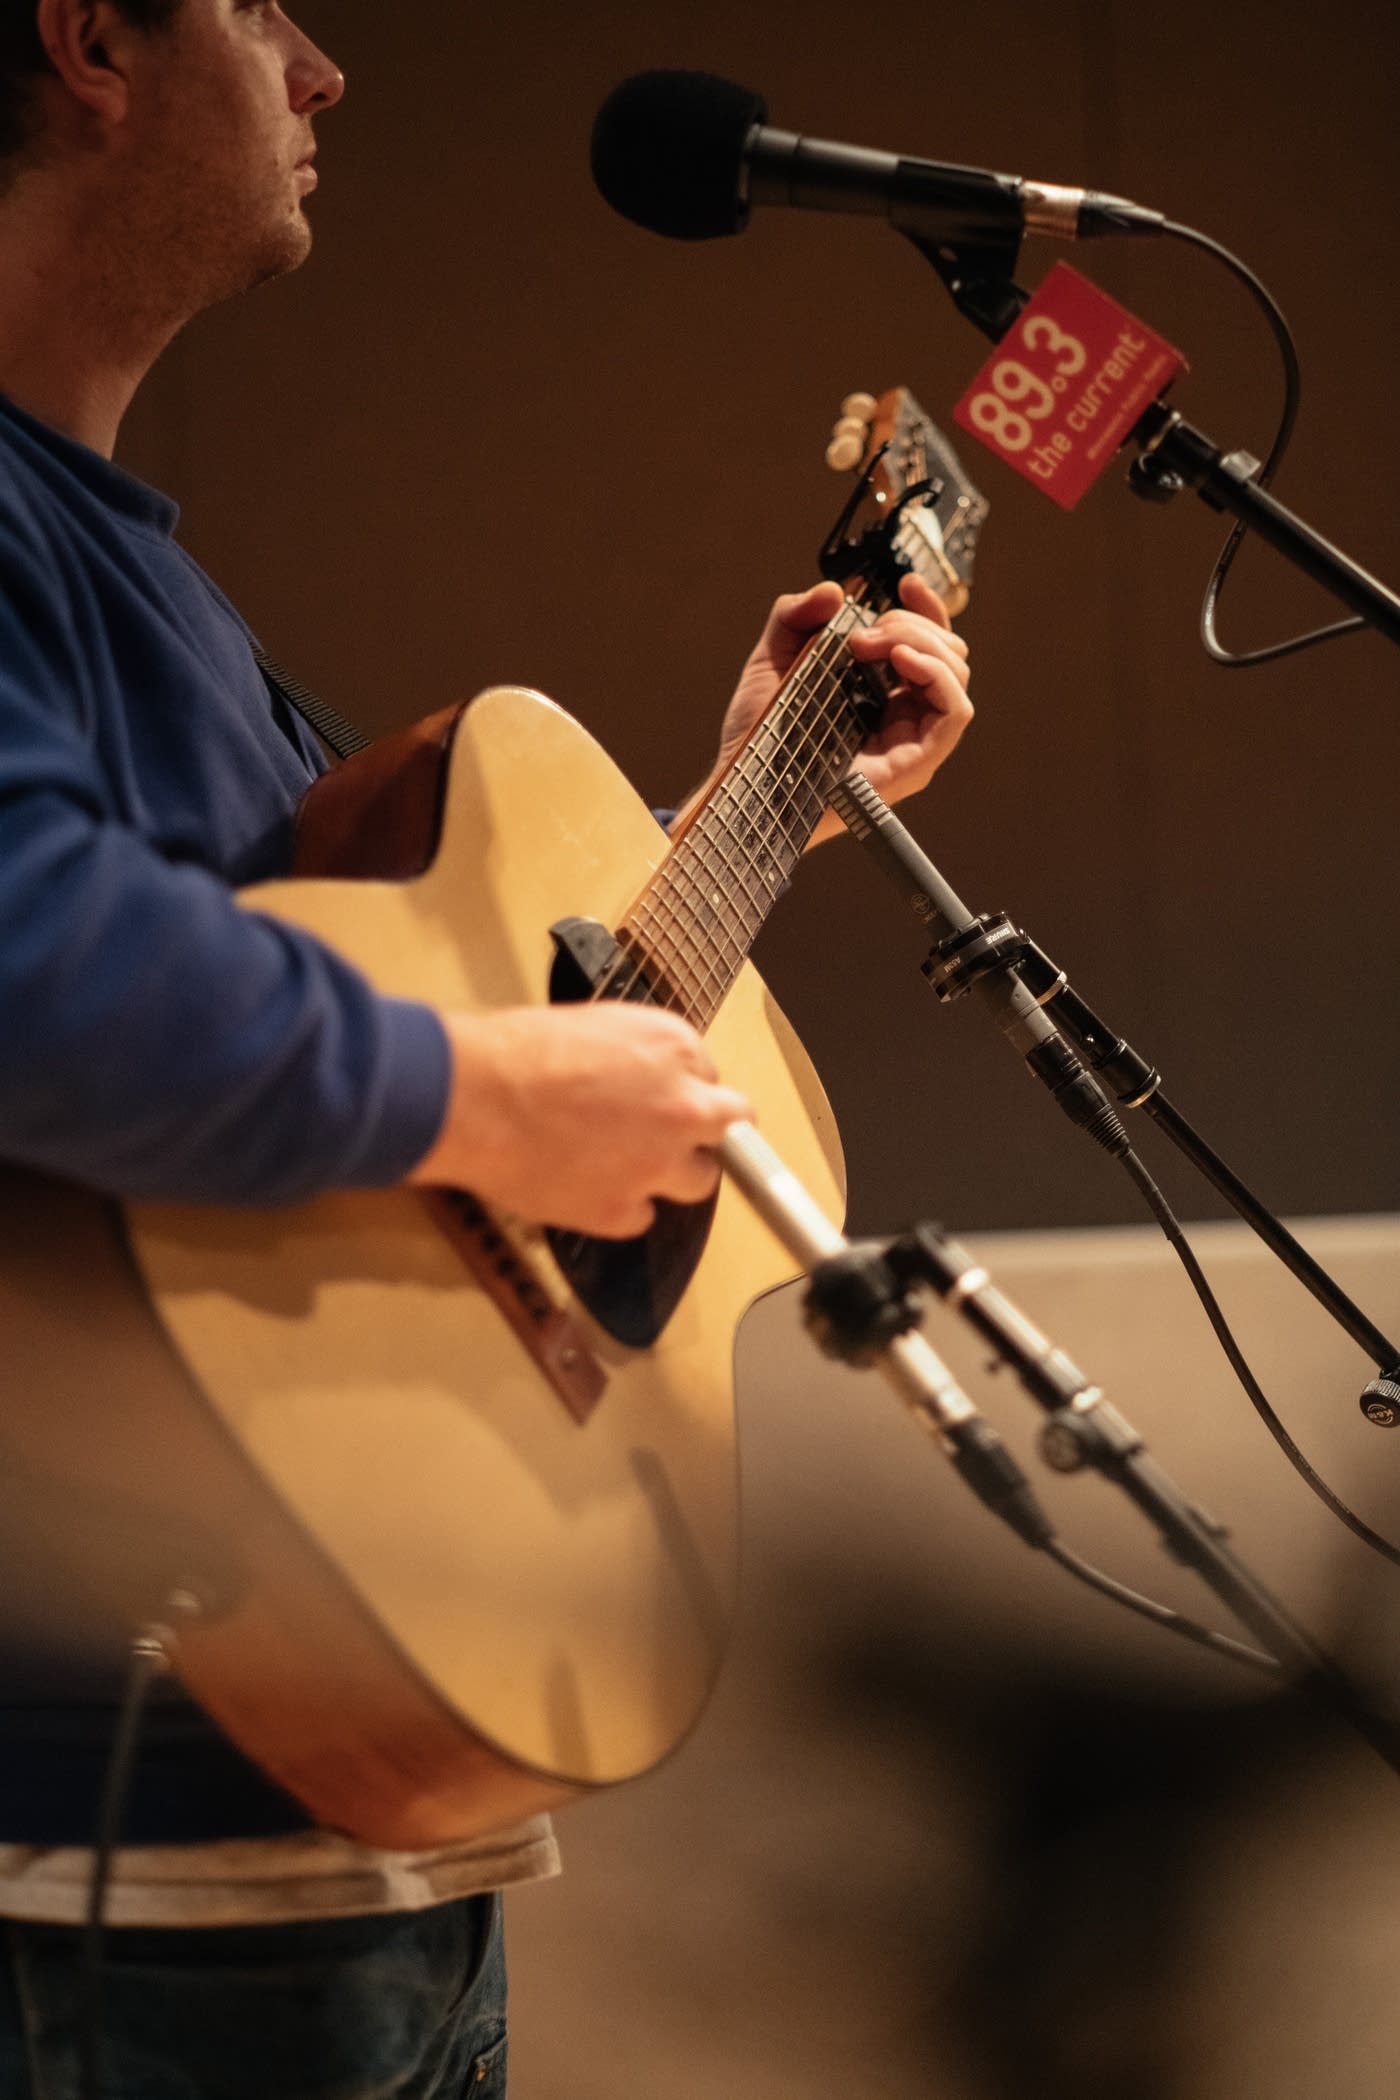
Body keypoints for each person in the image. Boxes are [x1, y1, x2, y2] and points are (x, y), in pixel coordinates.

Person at [0, 1, 973, 2093]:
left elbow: (416, 1064)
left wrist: (754, 798)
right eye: (263, 12)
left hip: (352, 1846)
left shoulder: (143, 586)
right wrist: (494, 1095)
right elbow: (34, 962)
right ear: (89, 39)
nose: (326, 71)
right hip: (104, 1854)